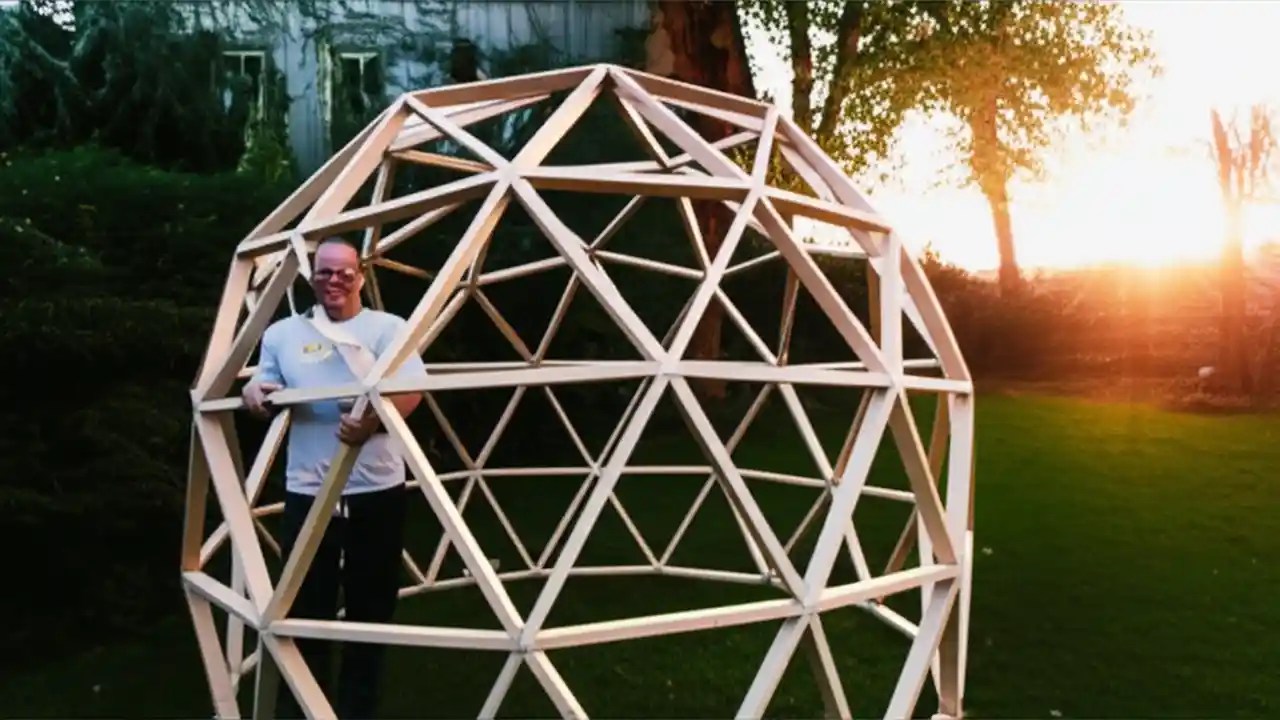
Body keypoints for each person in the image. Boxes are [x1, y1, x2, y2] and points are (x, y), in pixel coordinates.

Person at [242, 236, 427, 719]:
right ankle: (305, 705)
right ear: (312, 278)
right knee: (306, 605)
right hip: (309, 488)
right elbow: (264, 382)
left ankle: (358, 708)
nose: (335, 279)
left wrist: (373, 423)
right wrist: (255, 393)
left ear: (361, 276)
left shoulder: (388, 328)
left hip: (377, 490)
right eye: (325, 272)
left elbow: (411, 390)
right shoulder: (283, 333)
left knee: (372, 605)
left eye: (345, 271)